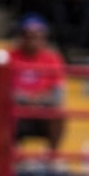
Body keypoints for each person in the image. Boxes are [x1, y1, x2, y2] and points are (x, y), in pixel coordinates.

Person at [9, 15, 66, 163]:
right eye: (29, 37)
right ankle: (12, 158)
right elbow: (3, 91)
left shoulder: (53, 58)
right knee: (2, 114)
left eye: (38, 37)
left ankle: (51, 158)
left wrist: (35, 100)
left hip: (41, 111)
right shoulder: (9, 56)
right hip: (16, 112)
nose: (33, 41)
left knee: (59, 114)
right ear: (21, 37)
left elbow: (58, 94)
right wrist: (26, 100)